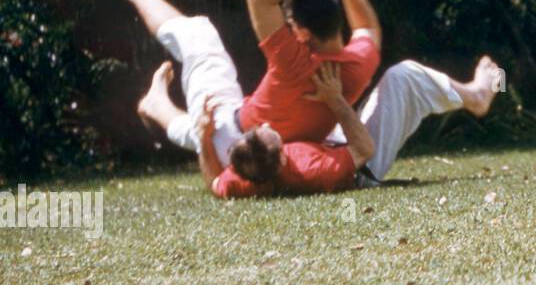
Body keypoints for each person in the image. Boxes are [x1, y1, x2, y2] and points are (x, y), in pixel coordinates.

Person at [113, 0, 379, 180]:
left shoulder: (293, 63)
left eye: (289, 23)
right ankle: (156, 106)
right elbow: (367, 28)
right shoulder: (361, 63)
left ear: (303, 32)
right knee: (199, 125)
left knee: (198, 35)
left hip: (236, 144)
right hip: (268, 149)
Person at [136, 54, 503, 198]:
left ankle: (157, 106)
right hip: (361, 164)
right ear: (282, 159)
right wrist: (334, 99)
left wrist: (203, 138)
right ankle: (477, 96)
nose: (263, 123)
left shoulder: (243, 176)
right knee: (403, 77)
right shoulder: (313, 169)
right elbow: (363, 150)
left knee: (214, 132)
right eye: (267, 131)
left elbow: (214, 182)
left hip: (327, 144)